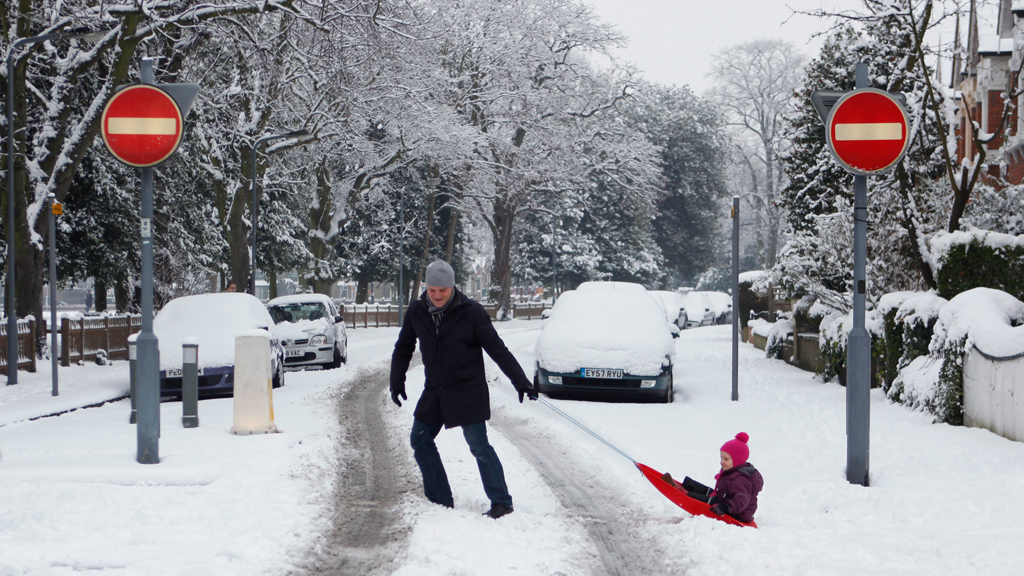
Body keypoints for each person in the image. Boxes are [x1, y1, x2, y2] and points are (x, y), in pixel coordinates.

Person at [390, 260, 537, 519]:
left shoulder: (471, 312)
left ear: (452, 287)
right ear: (426, 287)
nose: (437, 295)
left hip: (468, 390)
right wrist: (396, 380)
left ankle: (502, 502)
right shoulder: (417, 311)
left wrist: (520, 380)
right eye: (432, 290)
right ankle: (440, 499)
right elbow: (404, 347)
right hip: (436, 389)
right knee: (420, 440)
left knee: (478, 445)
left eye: (443, 290)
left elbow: (497, 349)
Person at [662, 432, 763, 523]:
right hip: (726, 500)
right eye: (721, 458)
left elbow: (741, 501)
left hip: (737, 513)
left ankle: (683, 492)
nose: (722, 462)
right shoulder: (734, 472)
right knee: (708, 491)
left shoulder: (740, 479)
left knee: (709, 500)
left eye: (726, 459)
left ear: (737, 460)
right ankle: (686, 485)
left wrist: (725, 507)